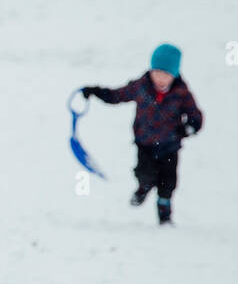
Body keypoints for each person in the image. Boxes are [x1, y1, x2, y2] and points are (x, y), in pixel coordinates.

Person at [82, 44, 203, 226]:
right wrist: (96, 91)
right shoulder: (141, 87)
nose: (161, 79)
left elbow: (196, 118)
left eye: (166, 75)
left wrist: (187, 129)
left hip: (169, 146)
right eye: (157, 73)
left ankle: (165, 217)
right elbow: (117, 95)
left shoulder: (181, 93)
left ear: (175, 74)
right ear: (151, 70)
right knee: (144, 174)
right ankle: (143, 189)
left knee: (167, 183)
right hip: (145, 144)